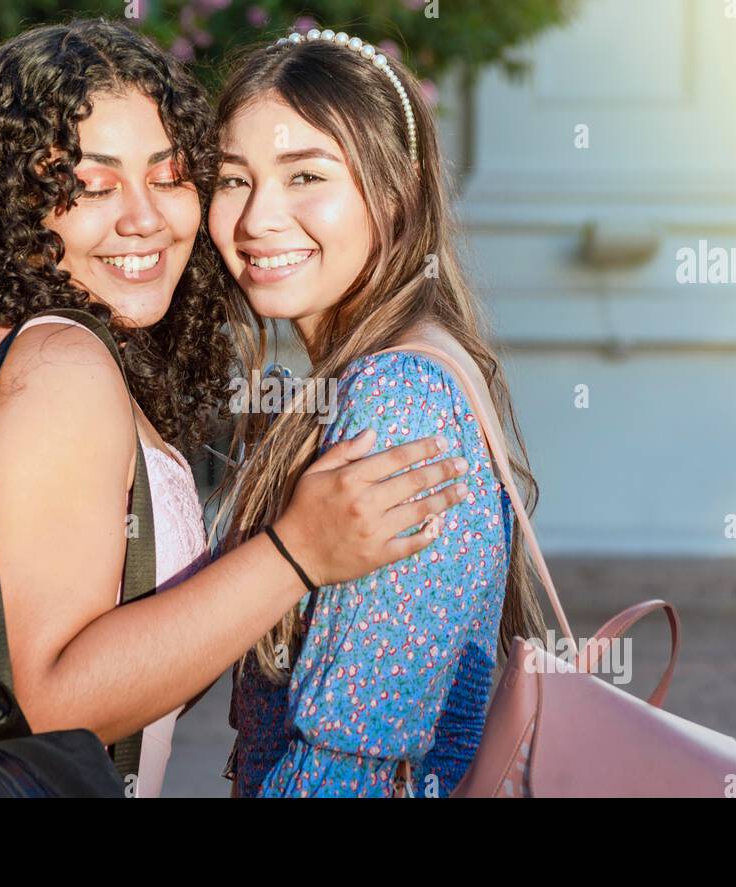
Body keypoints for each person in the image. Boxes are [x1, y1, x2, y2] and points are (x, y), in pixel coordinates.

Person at [0, 19, 466, 799]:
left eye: (171, 174)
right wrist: (296, 552)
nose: (145, 217)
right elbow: (48, 705)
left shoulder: (47, 355)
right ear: (16, 207)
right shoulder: (56, 365)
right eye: (94, 184)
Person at [209, 29, 547, 797]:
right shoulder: (381, 371)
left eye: (305, 176)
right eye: (233, 180)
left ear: (396, 189)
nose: (259, 216)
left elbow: (349, 757)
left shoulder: (395, 399)